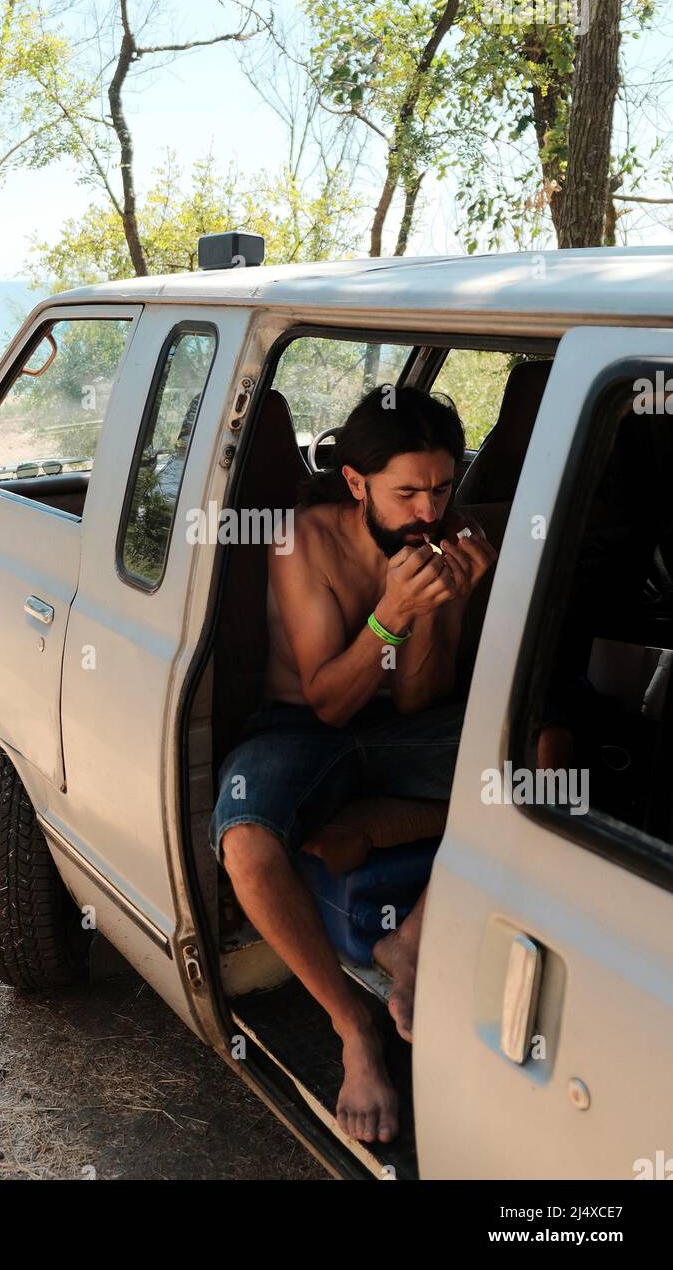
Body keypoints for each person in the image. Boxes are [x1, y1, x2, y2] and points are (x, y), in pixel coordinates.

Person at [209, 385, 496, 1146]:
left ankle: (410, 938)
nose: (429, 511)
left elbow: (417, 703)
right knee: (246, 841)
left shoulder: (451, 534)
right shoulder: (301, 540)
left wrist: (439, 607)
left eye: (442, 487)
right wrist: (390, 616)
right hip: (303, 726)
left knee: (543, 755)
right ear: (357, 483)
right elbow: (330, 701)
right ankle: (353, 1026)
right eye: (407, 493)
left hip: (397, 731)